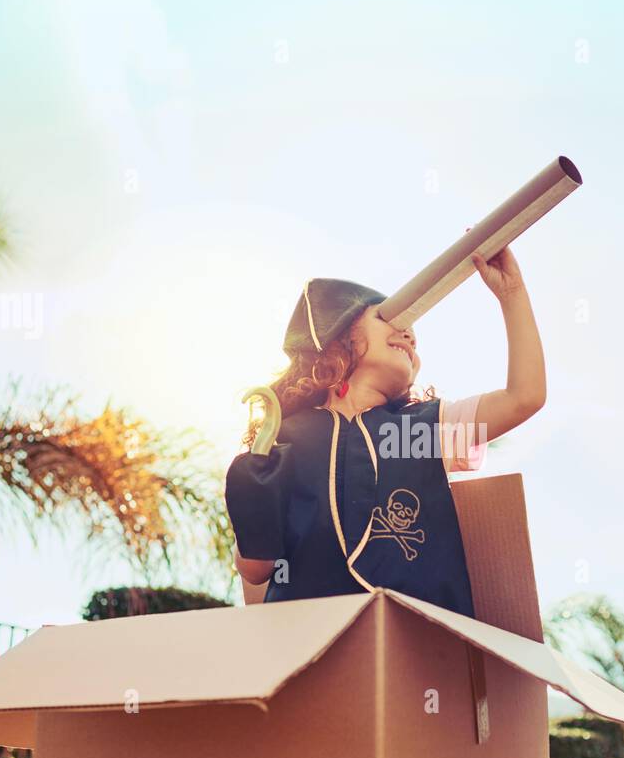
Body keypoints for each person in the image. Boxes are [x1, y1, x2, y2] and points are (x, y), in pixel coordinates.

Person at [224, 245, 544, 619]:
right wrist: (251, 495)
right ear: (337, 337)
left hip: (418, 644)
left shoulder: (424, 430)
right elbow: (257, 572)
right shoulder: (284, 443)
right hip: (312, 643)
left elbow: (525, 397)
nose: (409, 334)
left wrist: (512, 293)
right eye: (389, 318)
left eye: (413, 331)